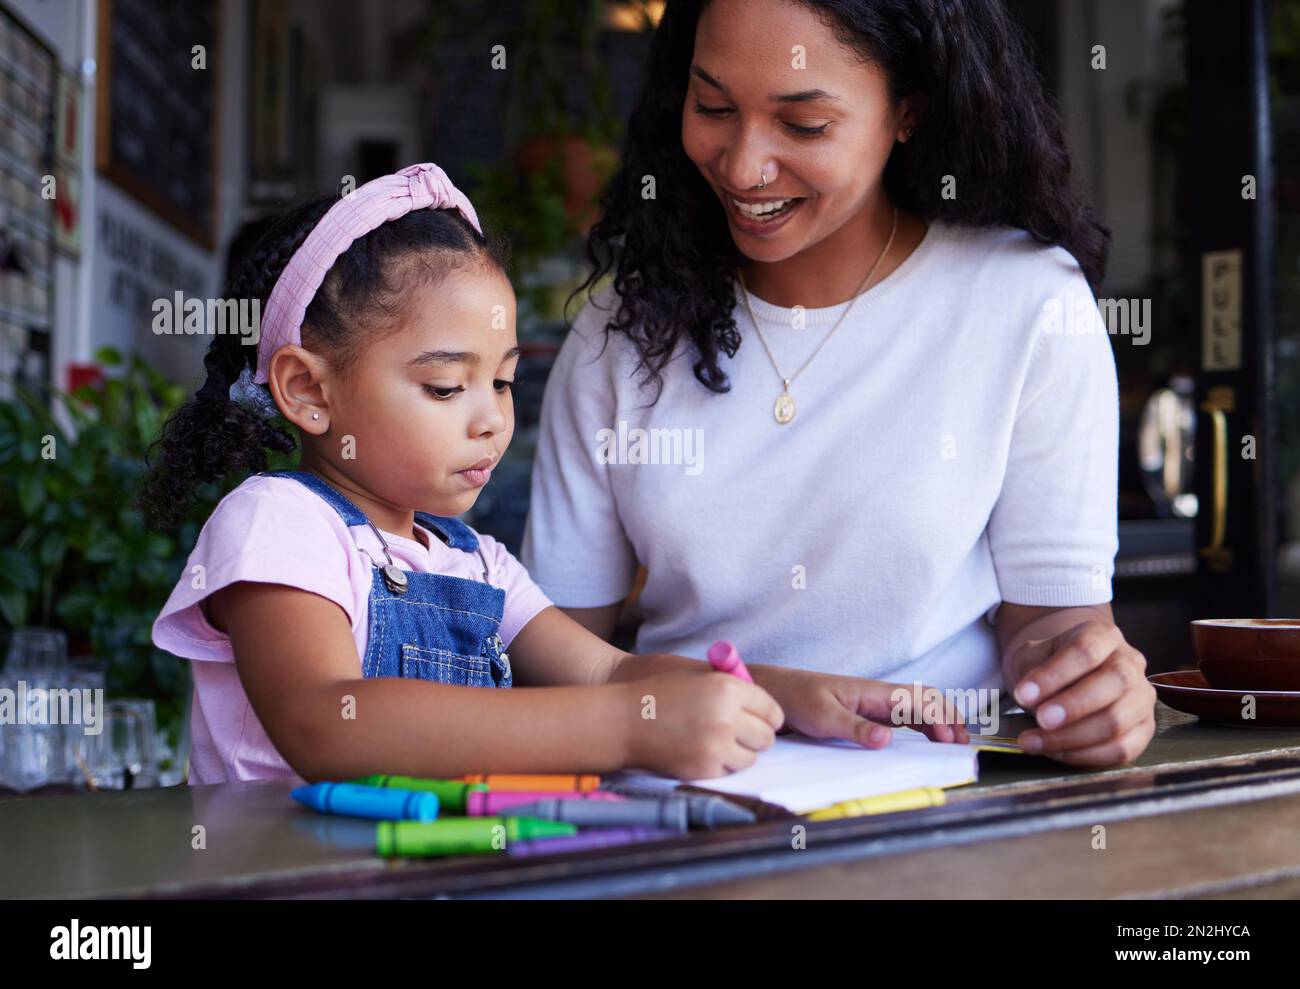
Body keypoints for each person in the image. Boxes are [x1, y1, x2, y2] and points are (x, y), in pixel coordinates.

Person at [142, 163, 968, 785]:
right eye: (443, 385)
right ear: (307, 391)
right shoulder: (280, 526)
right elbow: (328, 720)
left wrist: (787, 697)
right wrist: (627, 728)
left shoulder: (475, 562)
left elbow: (610, 669)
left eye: (500, 380)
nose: (490, 416)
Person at [522, 0, 1157, 766]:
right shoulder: (621, 333)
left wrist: (1088, 685)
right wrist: (763, 690)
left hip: (945, 798)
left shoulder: (1027, 305)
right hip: (681, 801)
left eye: (803, 125)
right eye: (713, 106)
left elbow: (1051, 623)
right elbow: (555, 659)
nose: (744, 164)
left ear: (909, 109)